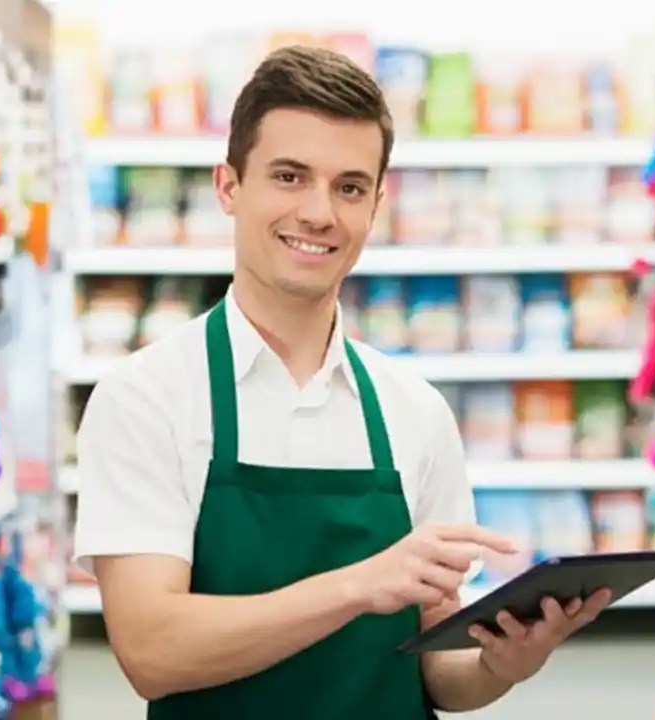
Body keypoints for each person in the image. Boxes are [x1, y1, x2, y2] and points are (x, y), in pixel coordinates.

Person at [73, 45, 612, 717]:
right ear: (229, 187)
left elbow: (440, 672)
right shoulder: (147, 397)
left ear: (376, 204)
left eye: (349, 187)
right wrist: (359, 586)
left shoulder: (413, 412)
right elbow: (153, 654)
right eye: (290, 177)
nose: (320, 213)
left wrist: (501, 665)